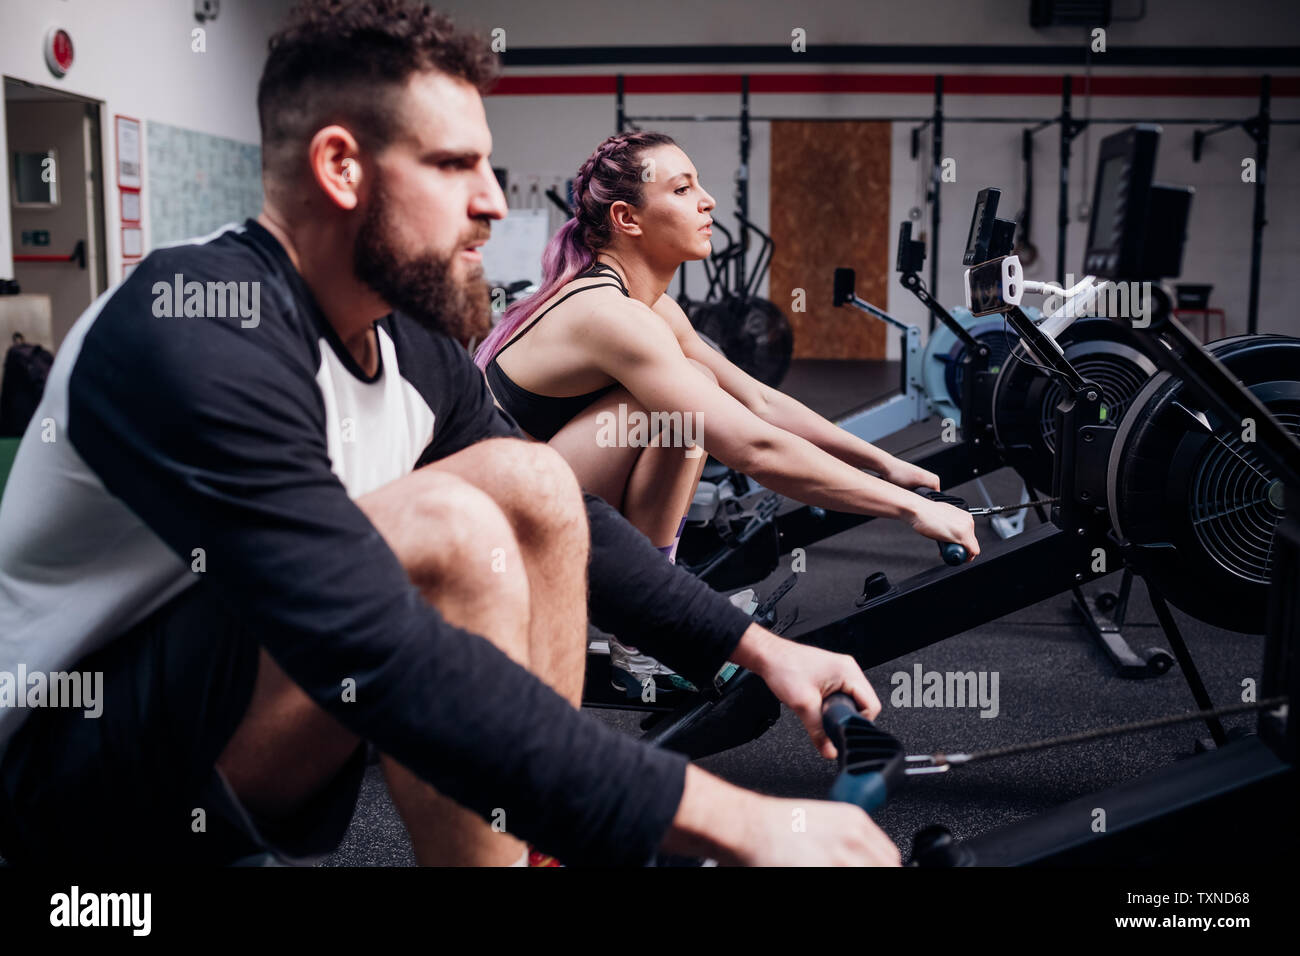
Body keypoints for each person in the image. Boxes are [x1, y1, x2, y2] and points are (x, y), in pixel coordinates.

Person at [0, 0, 899, 867]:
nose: (494, 203)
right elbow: (368, 632)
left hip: (218, 715)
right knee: (453, 534)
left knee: (531, 483)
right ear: (342, 166)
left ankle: (533, 845)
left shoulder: (409, 343)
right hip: (58, 788)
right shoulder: (192, 326)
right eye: (454, 166)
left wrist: (759, 652)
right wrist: (732, 822)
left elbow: (571, 524)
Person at [475, 131, 980, 693]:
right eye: (683, 188)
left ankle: (645, 614)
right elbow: (752, 446)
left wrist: (888, 466)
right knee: (683, 401)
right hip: (491, 550)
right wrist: (908, 509)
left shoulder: (651, 307)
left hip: (529, 518)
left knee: (695, 388)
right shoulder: (609, 314)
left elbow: (758, 402)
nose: (707, 200)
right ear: (628, 218)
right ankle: (643, 630)